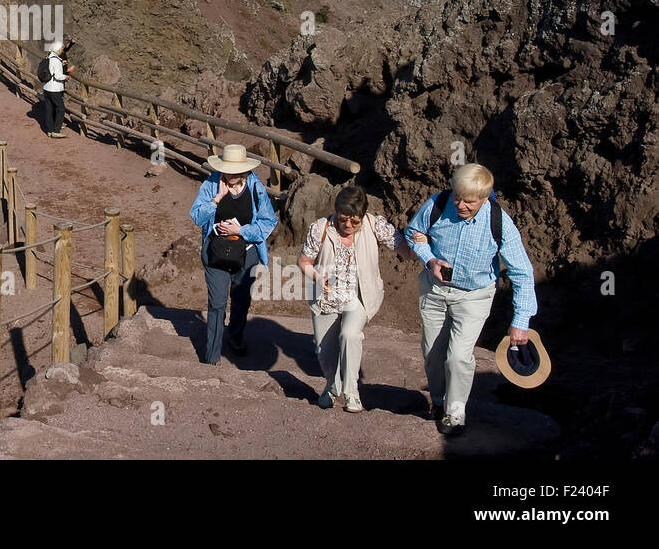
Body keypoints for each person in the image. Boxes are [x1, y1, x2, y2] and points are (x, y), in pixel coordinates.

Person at [403, 163, 539, 435]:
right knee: (433, 353)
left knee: (459, 357)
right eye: (457, 197)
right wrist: (429, 260)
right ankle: (439, 402)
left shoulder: (499, 221)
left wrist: (520, 321)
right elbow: (413, 234)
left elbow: (522, 273)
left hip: (474, 297)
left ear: (485, 197)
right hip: (435, 291)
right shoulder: (438, 204)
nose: (461, 205)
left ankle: (455, 412)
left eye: (469, 201)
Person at [298, 186, 413, 413]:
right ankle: (332, 386)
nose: (349, 226)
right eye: (343, 220)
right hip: (327, 297)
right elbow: (304, 261)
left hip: (359, 296)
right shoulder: (320, 228)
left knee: (350, 335)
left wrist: (421, 244)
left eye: (355, 221)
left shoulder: (374, 224)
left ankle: (352, 392)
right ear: (336, 214)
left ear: (363, 216)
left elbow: (404, 248)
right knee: (325, 351)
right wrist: (317, 277)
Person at [190, 145, 278, 362]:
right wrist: (216, 199)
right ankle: (211, 356)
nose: (230, 175)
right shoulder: (211, 184)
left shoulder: (256, 188)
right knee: (217, 303)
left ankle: (235, 338)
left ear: (245, 171)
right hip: (215, 252)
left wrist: (241, 231)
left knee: (241, 300)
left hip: (246, 254)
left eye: (235, 171)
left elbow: (269, 222)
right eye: (227, 170)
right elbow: (196, 217)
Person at [40, 40, 71, 138]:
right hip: (54, 89)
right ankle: (56, 130)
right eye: (62, 48)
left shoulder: (49, 57)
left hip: (47, 87)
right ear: (58, 49)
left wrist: (60, 65)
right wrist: (66, 77)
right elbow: (57, 76)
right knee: (61, 108)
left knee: (49, 108)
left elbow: (51, 69)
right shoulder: (56, 60)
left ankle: (49, 130)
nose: (62, 50)